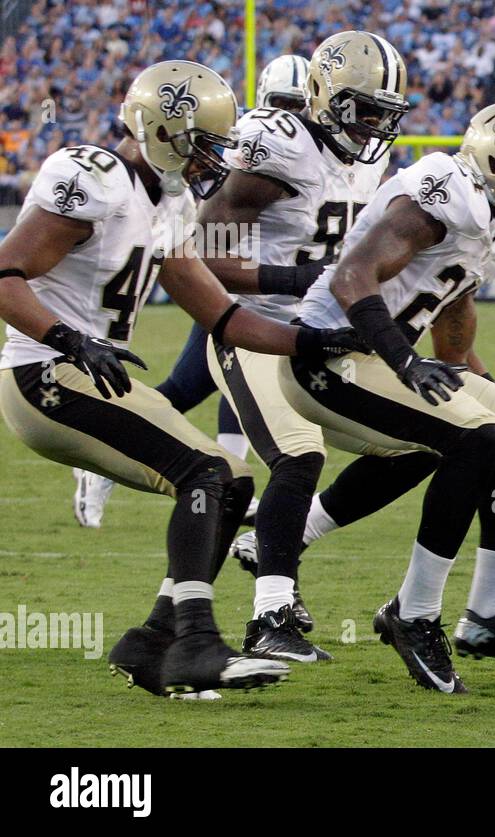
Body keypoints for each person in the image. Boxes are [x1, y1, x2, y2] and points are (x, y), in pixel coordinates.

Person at [0, 60, 362, 697]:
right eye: (207, 144)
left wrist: (308, 338)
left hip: (91, 372)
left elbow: (219, 314)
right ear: (165, 130)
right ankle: (197, 639)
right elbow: (5, 274)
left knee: (232, 480)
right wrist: (65, 336)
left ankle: (153, 642)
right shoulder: (93, 177)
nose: (214, 161)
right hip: (44, 373)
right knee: (208, 471)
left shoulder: (168, 201)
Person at [281, 101, 495, 693]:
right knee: (471, 438)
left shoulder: (487, 226)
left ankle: (488, 615)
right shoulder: (442, 191)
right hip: (328, 358)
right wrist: (406, 361)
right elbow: (353, 276)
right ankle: (415, 613)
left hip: (380, 357)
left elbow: (451, 318)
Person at [199, 33, 406, 662]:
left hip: (325, 335)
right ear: (321, 98)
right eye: (362, 109)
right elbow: (201, 256)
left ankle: (291, 537)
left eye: (383, 113)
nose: (373, 126)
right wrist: (290, 278)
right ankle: (270, 614)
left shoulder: (369, 163)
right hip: (256, 328)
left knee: (427, 438)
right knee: (298, 451)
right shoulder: (278, 148)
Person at [67, 54, 313, 531]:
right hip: (231, 294)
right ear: (264, 101)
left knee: (223, 390)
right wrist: (288, 277)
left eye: (300, 106)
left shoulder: (314, 160)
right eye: (284, 104)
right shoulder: (246, 155)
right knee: (185, 389)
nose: (292, 116)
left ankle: (234, 484)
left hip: (276, 302)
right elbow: (207, 252)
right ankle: (100, 462)